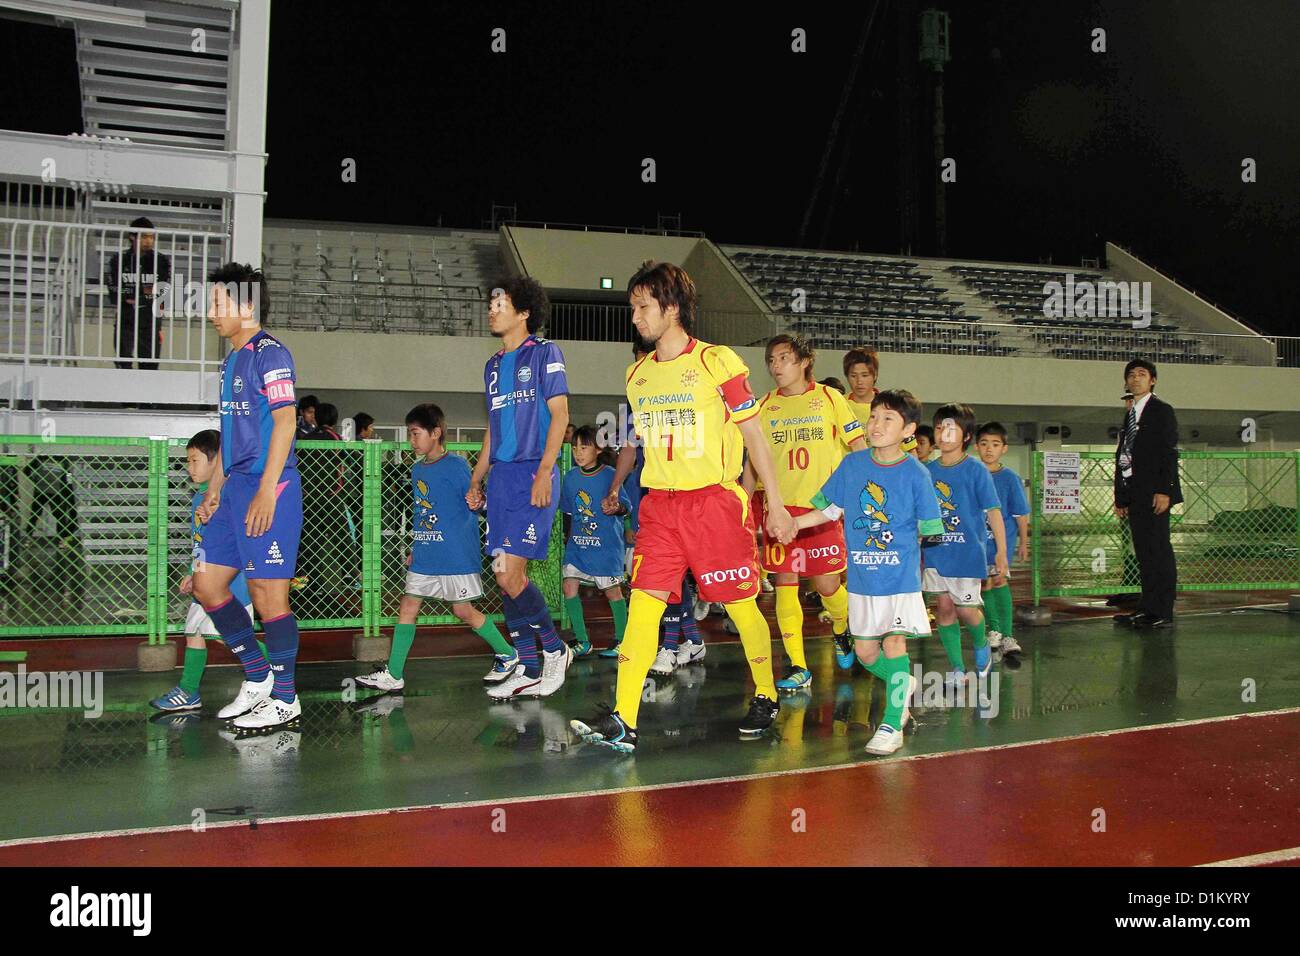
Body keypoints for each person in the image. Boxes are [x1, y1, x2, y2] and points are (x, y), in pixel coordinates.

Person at [570, 260, 797, 753]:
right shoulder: (637, 376)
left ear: (672, 308)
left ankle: (766, 692)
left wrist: (773, 504)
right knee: (644, 607)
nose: (635, 316)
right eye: (633, 307)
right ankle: (623, 719)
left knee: (740, 605)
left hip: (714, 504)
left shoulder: (718, 362)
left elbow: (753, 434)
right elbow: (635, 444)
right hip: (660, 509)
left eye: (644, 306)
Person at [793, 389, 943, 754]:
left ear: (908, 430)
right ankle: (900, 683)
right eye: (874, 416)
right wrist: (794, 524)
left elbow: (929, 531)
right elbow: (828, 511)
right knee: (865, 653)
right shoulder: (852, 465)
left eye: (887, 419)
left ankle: (892, 723)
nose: (876, 424)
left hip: (898, 581)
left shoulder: (916, 474)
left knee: (893, 644)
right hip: (861, 580)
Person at [192, 263, 304, 731]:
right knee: (208, 586)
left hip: (269, 487)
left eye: (219, 303)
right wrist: (214, 490)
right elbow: (229, 433)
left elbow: (286, 422)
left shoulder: (271, 354)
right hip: (234, 487)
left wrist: (264, 490)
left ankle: (285, 696)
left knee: (268, 595)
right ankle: (258, 676)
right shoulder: (231, 360)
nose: (211, 312)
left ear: (246, 306)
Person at [356, 403, 516, 693]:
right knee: (408, 605)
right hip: (427, 553)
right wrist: (417, 544)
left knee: (463, 611)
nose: (411, 440)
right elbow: (422, 512)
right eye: (409, 434)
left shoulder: (455, 466)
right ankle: (394, 674)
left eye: (416, 434)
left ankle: (507, 653)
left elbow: (476, 501)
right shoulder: (418, 470)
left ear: (436, 433)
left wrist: (478, 503)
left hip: (454, 554)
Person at [466, 277, 571, 698]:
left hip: (533, 474)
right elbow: (493, 431)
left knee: (512, 574)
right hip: (504, 478)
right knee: (502, 574)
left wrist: (545, 471)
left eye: (501, 303)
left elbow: (561, 417)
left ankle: (554, 648)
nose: (492, 309)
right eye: (490, 303)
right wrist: (477, 477)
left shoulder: (545, 354)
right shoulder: (492, 366)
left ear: (524, 312)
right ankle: (527, 665)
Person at [742, 333, 865, 689]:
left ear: (804, 361)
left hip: (822, 511)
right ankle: (798, 666)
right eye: (771, 360)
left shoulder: (830, 398)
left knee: (827, 585)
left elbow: (857, 448)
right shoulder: (763, 406)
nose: (776, 366)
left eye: (783, 358)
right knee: (784, 583)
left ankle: (842, 628)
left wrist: (860, 497)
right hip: (780, 510)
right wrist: (744, 509)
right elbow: (753, 462)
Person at [150, 429, 260, 712]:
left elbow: (238, 544)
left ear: (217, 462)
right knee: (195, 633)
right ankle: (188, 691)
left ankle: (275, 672)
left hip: (229, 584)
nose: (190, 468)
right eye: (188, 461)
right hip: (207, 581)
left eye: (195, 460)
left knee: (228, 638)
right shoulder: (201, 498)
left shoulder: (230, 498)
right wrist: (194, 572)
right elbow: (202, 542)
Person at [922, 403, 1008, 682]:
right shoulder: (926, 471)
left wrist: (1002, 554)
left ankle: (981, 642)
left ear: (966, 436)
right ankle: (958, 669)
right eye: (939, 427)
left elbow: (993, 511)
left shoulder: (975, 470)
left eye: (950, 428)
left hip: (967, 554)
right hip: (935, 552)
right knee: (944, 608)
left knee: (966, 610)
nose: (943, 433)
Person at [1113, 359, 1182, 629]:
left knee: (1159, 551)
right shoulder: (1130, 414)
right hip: (1135, 493)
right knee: (1143, 553)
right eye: (1131, 375)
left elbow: (1168, 452)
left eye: (1142, 374)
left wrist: (1165, 490)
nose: (1136, 378)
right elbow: (1124, 455)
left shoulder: (1161, 411)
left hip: (1155, 494)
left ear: (1152, 380)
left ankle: (1162, 611)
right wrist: (1121, 496)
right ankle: (1147, 608)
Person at [559, 425, 630, 659]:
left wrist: (616, 507)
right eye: (575, 447)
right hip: (578, 547)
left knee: (613, 593)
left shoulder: (611, 475)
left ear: (598, 449)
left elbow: (626, 507)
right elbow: (568, 512)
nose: (578, 452)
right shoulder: (570, 477)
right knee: (569, 586)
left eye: (584, 447)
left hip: (606, 548)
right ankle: (582, 641)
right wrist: (568, 537)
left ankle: (623, 640)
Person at [974, 422, 1030, 655]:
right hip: (978, 544)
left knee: (999, 581)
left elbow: (1020, 513)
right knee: (984, 583)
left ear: (1004, 448)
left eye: (995, 444)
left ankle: (1008, 635)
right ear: (976, 447)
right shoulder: (972, 474)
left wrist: (1024, 542)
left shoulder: (1010, 478)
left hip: (1001, 543)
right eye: (984, 444)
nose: (989, 449)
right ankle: (994, 631)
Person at [105, 216, 170, 370]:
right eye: (144, 237)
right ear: (132, 237)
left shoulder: (160, 260)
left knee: (149, 366)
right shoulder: (119, 259)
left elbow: (162, 291)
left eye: (151, 237)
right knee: (123, 364)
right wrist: (142, 292)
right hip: (125, 319)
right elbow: (114, 290)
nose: (149, 241)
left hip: (150, 320)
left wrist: (135, 293)